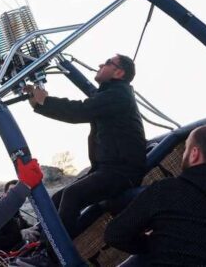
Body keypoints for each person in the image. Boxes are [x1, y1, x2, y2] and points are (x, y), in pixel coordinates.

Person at [104, 123, 206, 266]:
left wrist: (155, 244)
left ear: (194, 153)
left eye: (186, 148)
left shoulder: (166, 190)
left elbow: (115, 234)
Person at [24, 53, 146, 239]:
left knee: (73, 195)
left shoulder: (118, 95)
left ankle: (54, 254)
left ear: (119, 72)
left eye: (106, 62)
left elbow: (80, 111)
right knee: (57, 198)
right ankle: (39, 240)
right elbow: (82, 109)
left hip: (122, 172)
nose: (99, 63)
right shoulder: (109, 94)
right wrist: (39, 105)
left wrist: (45, 101)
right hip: (107, 169)